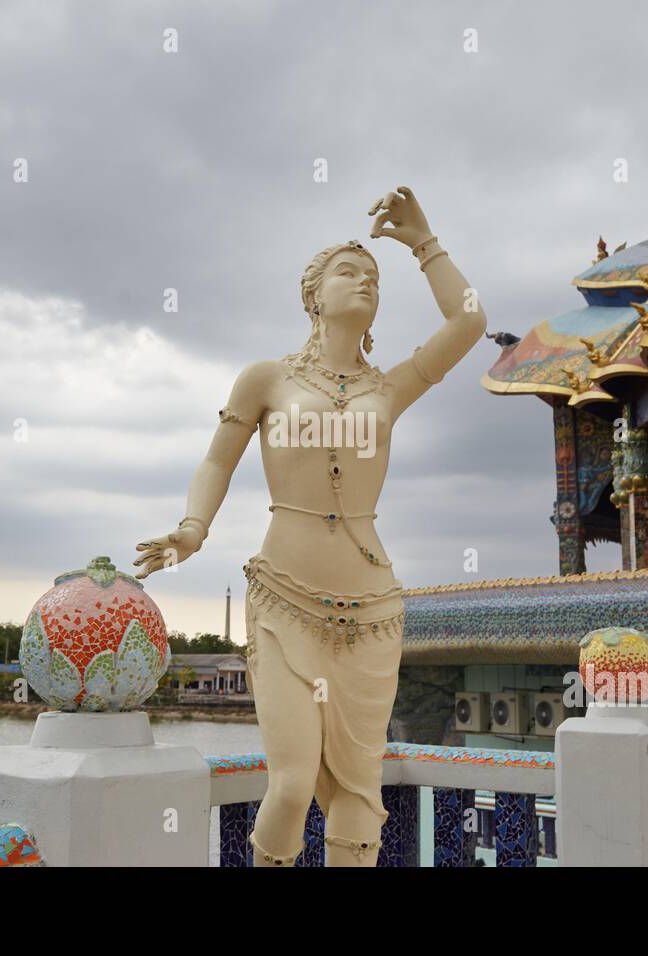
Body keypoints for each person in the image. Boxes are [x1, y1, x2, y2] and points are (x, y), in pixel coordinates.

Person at [133, 186, 485, 866]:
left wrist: (423, 244)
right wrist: (190, 529)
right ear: (313, 295)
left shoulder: (391, 387)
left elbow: (470, 323)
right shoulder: (265, 379)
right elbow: (216, 460)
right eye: (349, 271)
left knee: (359, 788)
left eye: (373, 277)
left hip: (371, 608)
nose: (366, 282)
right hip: (285, 597)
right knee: (292, 784)